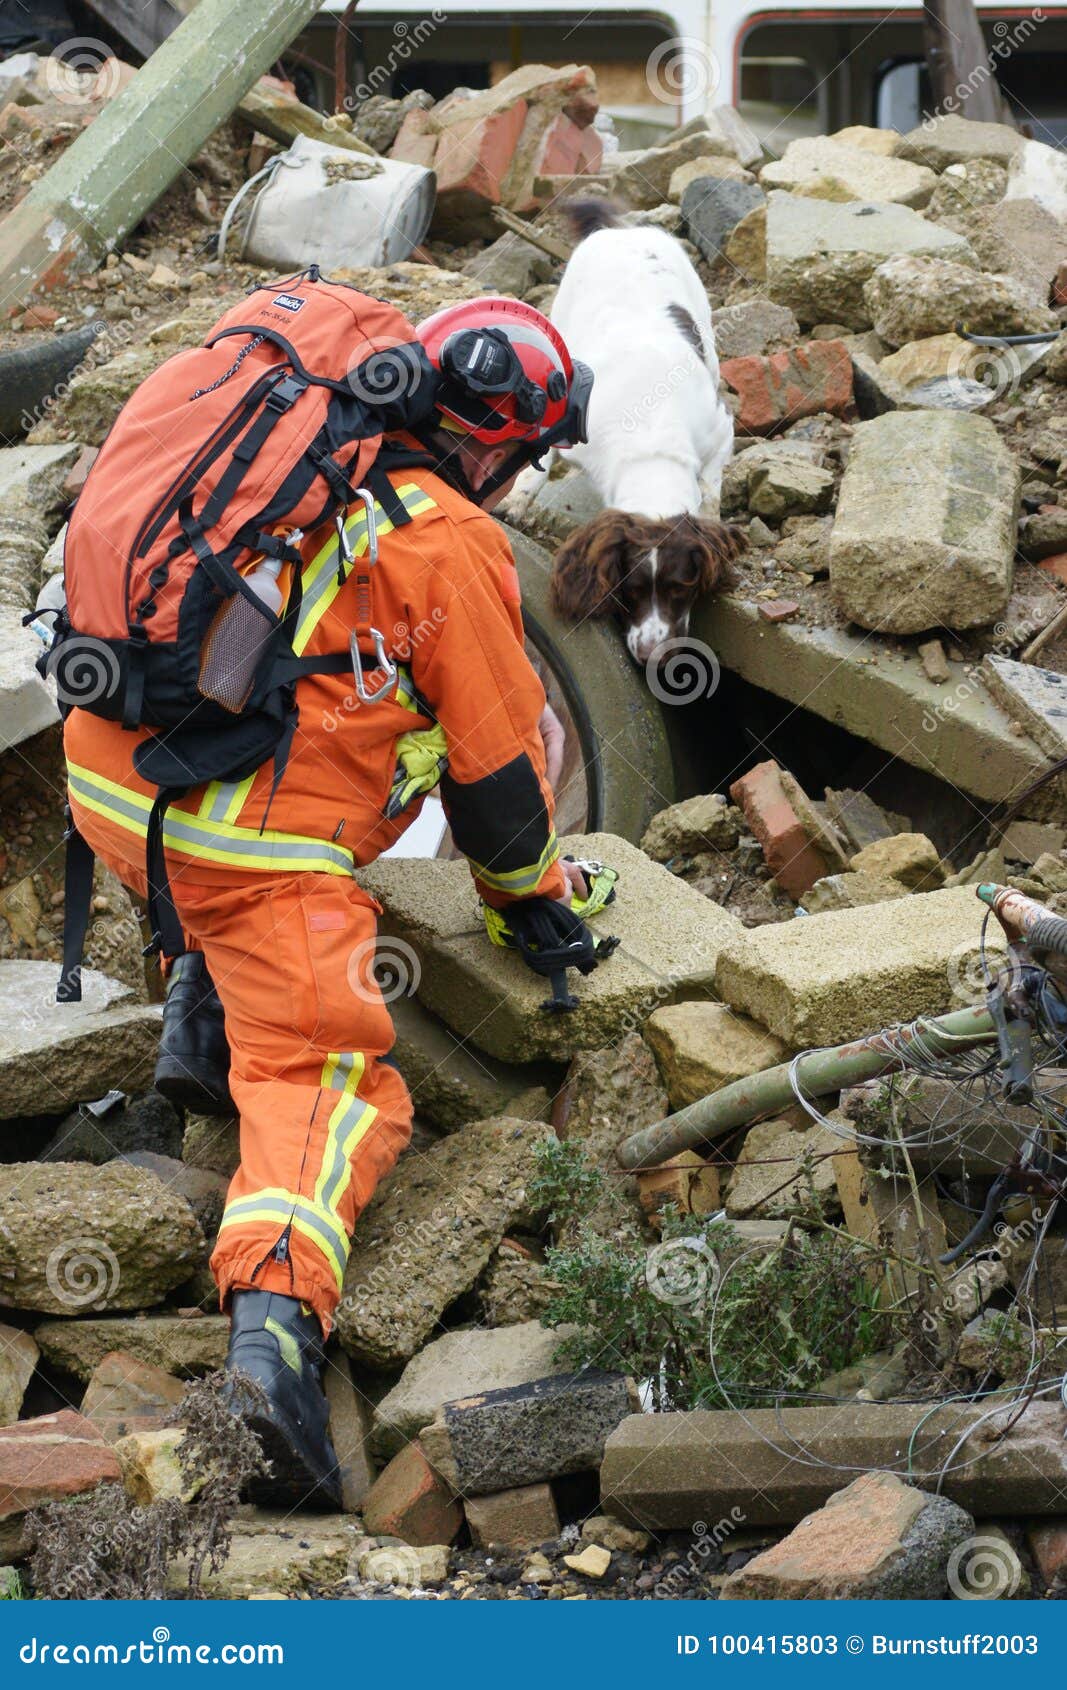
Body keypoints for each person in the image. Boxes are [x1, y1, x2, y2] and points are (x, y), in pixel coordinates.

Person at [61, 296, 593, 1506]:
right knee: (327, 1082)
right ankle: (273, 1354)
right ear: (496, 449)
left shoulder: (283, 455)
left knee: (294, 787)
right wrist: (530, 899)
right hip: (239, 847)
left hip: (106, 783)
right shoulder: (445, 538)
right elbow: (498, 774)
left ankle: (200, 1013)